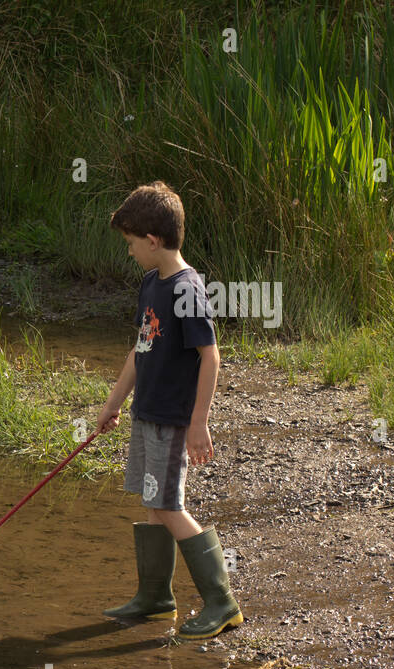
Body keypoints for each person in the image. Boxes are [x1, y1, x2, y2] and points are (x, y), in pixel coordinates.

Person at [96, 181, 243, 639]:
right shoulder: (149, 284)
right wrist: (113, 403)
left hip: (174, 420)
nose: (130, 252)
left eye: (131, 244)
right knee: (151, 501)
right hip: (146, 414)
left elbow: (210, 356)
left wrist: (199, 423)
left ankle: (221, 602)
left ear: (153, 241)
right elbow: (140, 350)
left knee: (168, 505)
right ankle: (156, 597)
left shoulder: (187, 290)